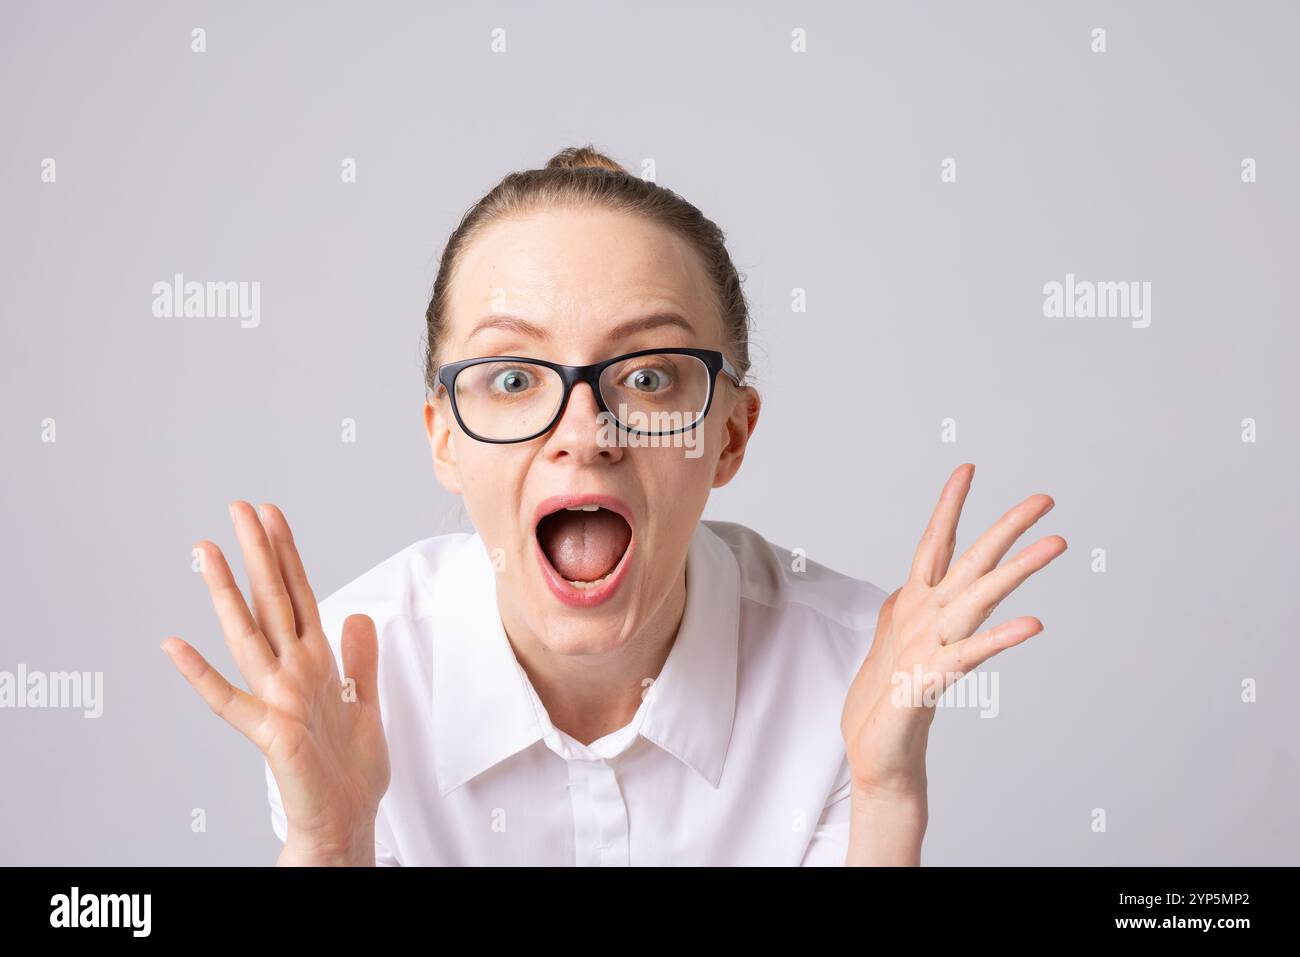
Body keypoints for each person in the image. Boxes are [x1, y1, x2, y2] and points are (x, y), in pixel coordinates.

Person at [160, 145, 1067, 866]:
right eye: (513, 376)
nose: (586, 433)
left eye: (647, 375)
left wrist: (885, 798)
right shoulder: (350, 680)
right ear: (445, 437)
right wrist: (329, 847)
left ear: (731, 436)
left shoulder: (854, 670)